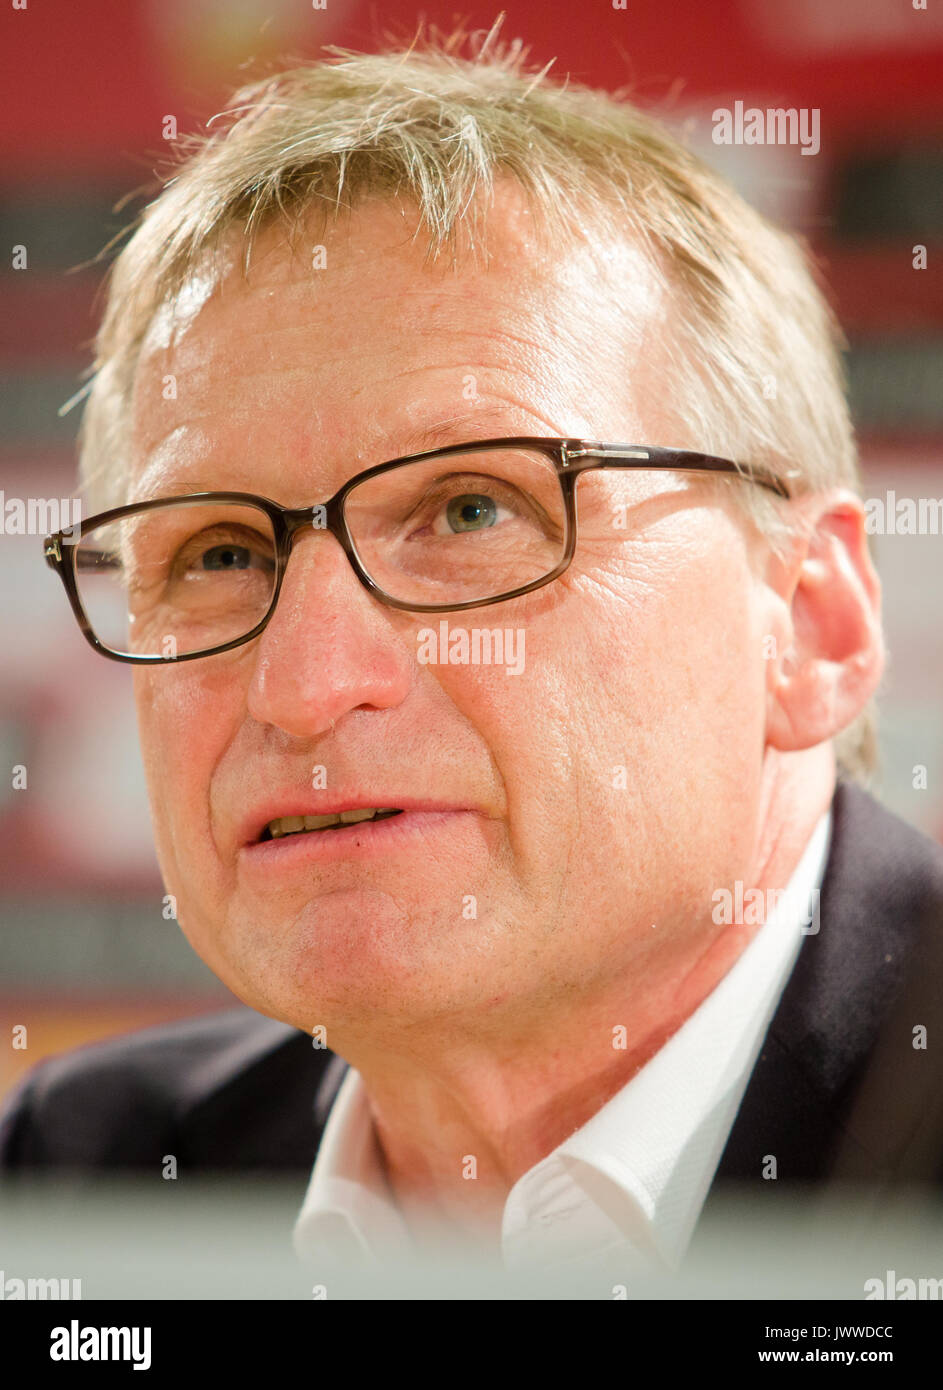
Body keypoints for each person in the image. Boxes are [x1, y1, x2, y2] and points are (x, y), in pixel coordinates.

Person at [3, 31, 942, 1283]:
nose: (305, 683)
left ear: (809, 620)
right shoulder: (80, 1189)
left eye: (470, 512)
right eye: (221, 551)